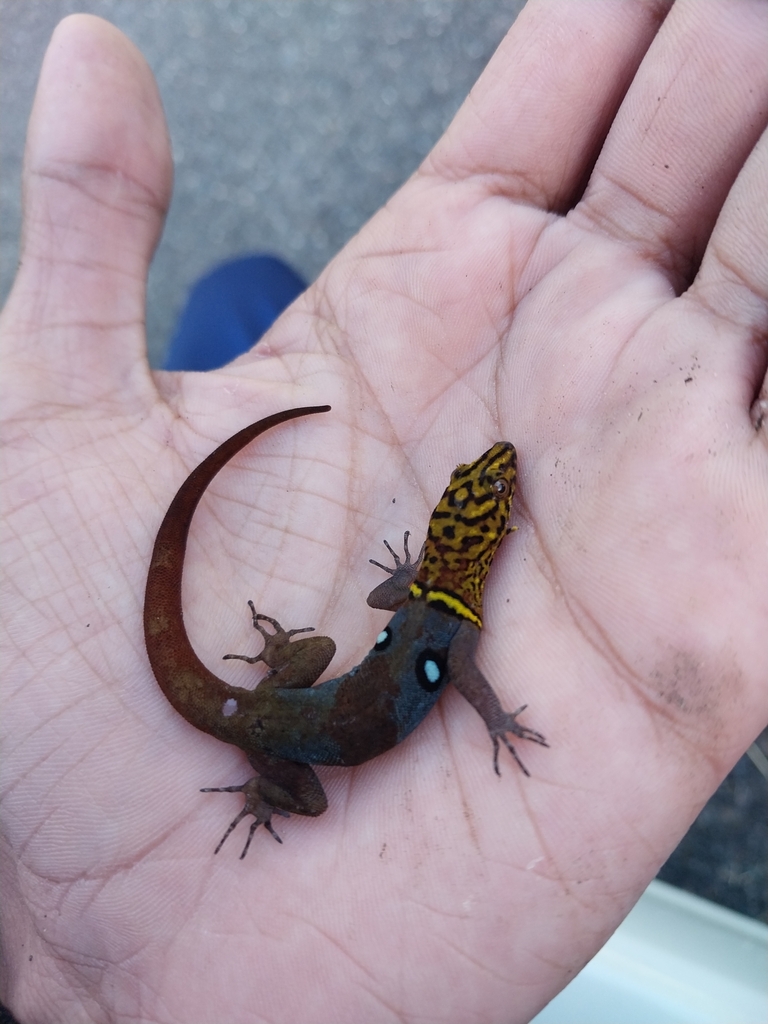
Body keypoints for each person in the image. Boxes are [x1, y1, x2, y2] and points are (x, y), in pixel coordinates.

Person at [1, 4, 766, 1022]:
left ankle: (275, 690)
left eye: (481, 491)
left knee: (244, 292)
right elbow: (466, 685)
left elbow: (426, 639)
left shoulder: (433, 610)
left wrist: (361, 635)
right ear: (487, 539)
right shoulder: (445, 620)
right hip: (286, 730)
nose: (491, 483)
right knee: (244, 295)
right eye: (483, 493)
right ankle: (268, 761)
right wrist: (475, 710)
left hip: (287, 713)